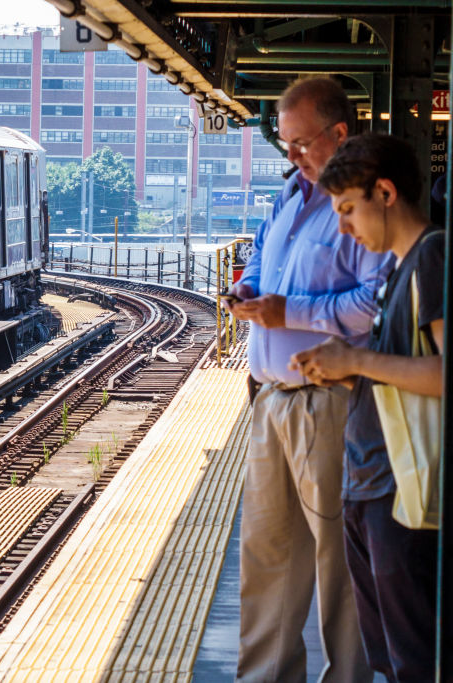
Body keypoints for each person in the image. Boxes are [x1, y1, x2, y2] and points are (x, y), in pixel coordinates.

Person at [225, 77, 387, 682]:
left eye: (299, 144)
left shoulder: (361, 207)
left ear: (338, 134)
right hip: (269, 399)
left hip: (331, 402)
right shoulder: (288, 199)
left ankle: (347, 676)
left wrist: (288, 312)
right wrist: (248, 291)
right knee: (266, 556)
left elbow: (376, 302)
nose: (290, 156)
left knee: (337, 562)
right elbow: (263, 264)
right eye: (286, 145)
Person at [290, 133, 441, 681]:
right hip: (371, 482)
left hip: (404, 491)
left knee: (414, 659)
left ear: (384, 192)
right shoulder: (400, 269)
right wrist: (345, 362)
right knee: (389, 658)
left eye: (349, 209)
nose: (345, 227)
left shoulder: (434, 257)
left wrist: (354, 360)